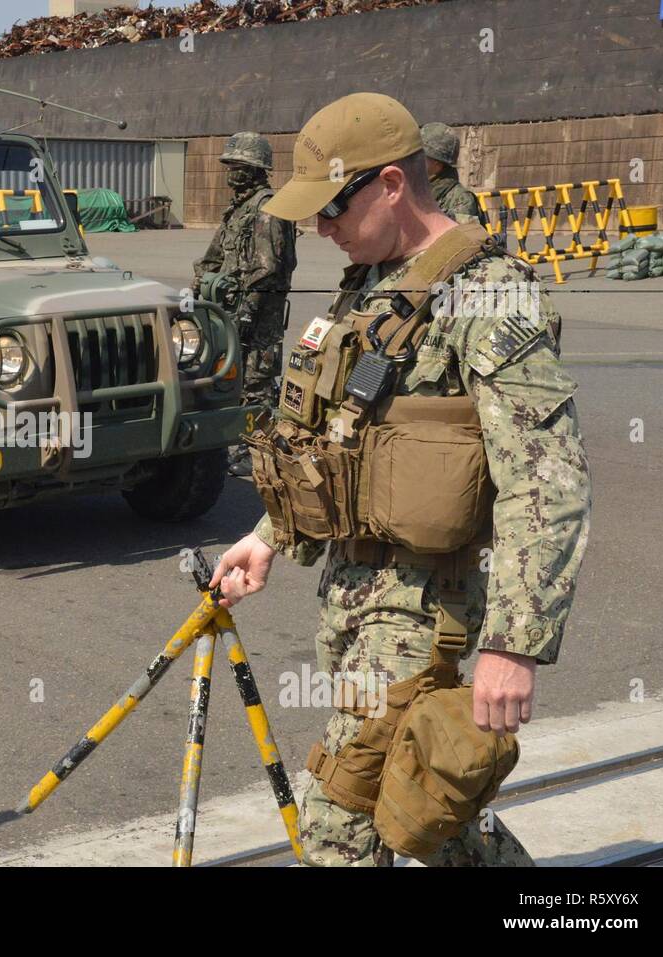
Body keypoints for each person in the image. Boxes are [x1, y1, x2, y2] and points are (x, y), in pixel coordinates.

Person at [210, 93, 591, 866]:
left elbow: (545, 478)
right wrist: (268, 535)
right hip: (352, 600)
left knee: (337, 819)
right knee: (422, 807)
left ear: (390, 184)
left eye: (332, 208)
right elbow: (339, 435)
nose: (323, 229)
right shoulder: (371, 284)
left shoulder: (489, 294)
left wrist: (514, 645)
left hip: (423, 611)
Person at [192, 132, 297, 475]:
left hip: (258, 314)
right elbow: (214, 256)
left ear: (255, 169)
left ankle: (259, 453)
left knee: (256, 382)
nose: (231, 172)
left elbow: (267, 268)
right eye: (230, 165)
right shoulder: (239, 208)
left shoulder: (268, 207)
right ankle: (243, 445)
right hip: (230, 310)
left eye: (238, 165)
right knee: (230, 379)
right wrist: (198, 285)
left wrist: (248, 312)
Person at [421, 122, 481, 223]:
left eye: (420, 154)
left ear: (436, 161)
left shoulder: (462, 199)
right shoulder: (412, 187)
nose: (414, 159)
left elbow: (463, 232)